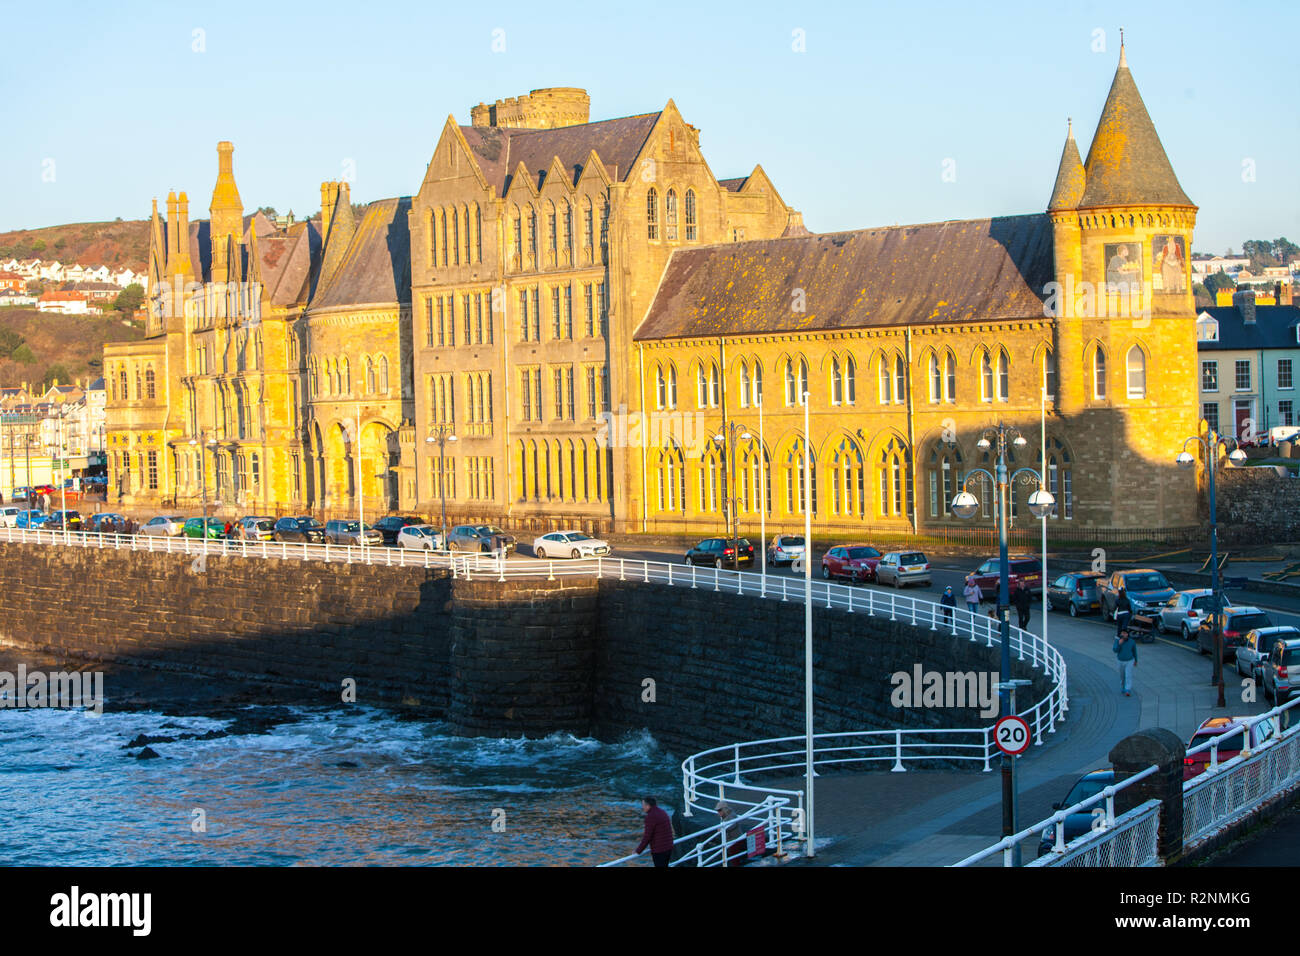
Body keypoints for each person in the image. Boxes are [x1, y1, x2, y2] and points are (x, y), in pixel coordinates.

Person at [635, 796, 674, 867]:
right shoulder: (662, 812)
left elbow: (647, 837)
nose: (642, 807)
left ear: (648, 805)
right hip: (668, 847)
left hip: (659, 850)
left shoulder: (651, 816)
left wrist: (638, 851)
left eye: (643, 805)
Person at [715, 800, 745, 867]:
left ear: (724, 809)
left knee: (734, 858)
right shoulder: (726, 815)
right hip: (732, 840)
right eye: (717, 810)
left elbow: (732, 825)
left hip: (735, 840)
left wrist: (722, 829)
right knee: (734, 857)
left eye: (719, 810)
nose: (718, 812)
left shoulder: (731, 815)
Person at [1114, 628, 1138, 696]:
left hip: (1129, 660)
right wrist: (1119, 644)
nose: (1124, 634)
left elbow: (1134, 651)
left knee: (1128, 675)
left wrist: (1136, 660)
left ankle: (1128, 689)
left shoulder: (1132, 641)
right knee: (1122, 676)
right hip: (1120, 661)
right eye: (1122, 633)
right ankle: (1123, 686)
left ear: (1128, 634)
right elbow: (1115, 650)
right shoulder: (1118, 640)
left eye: (1125, 633)